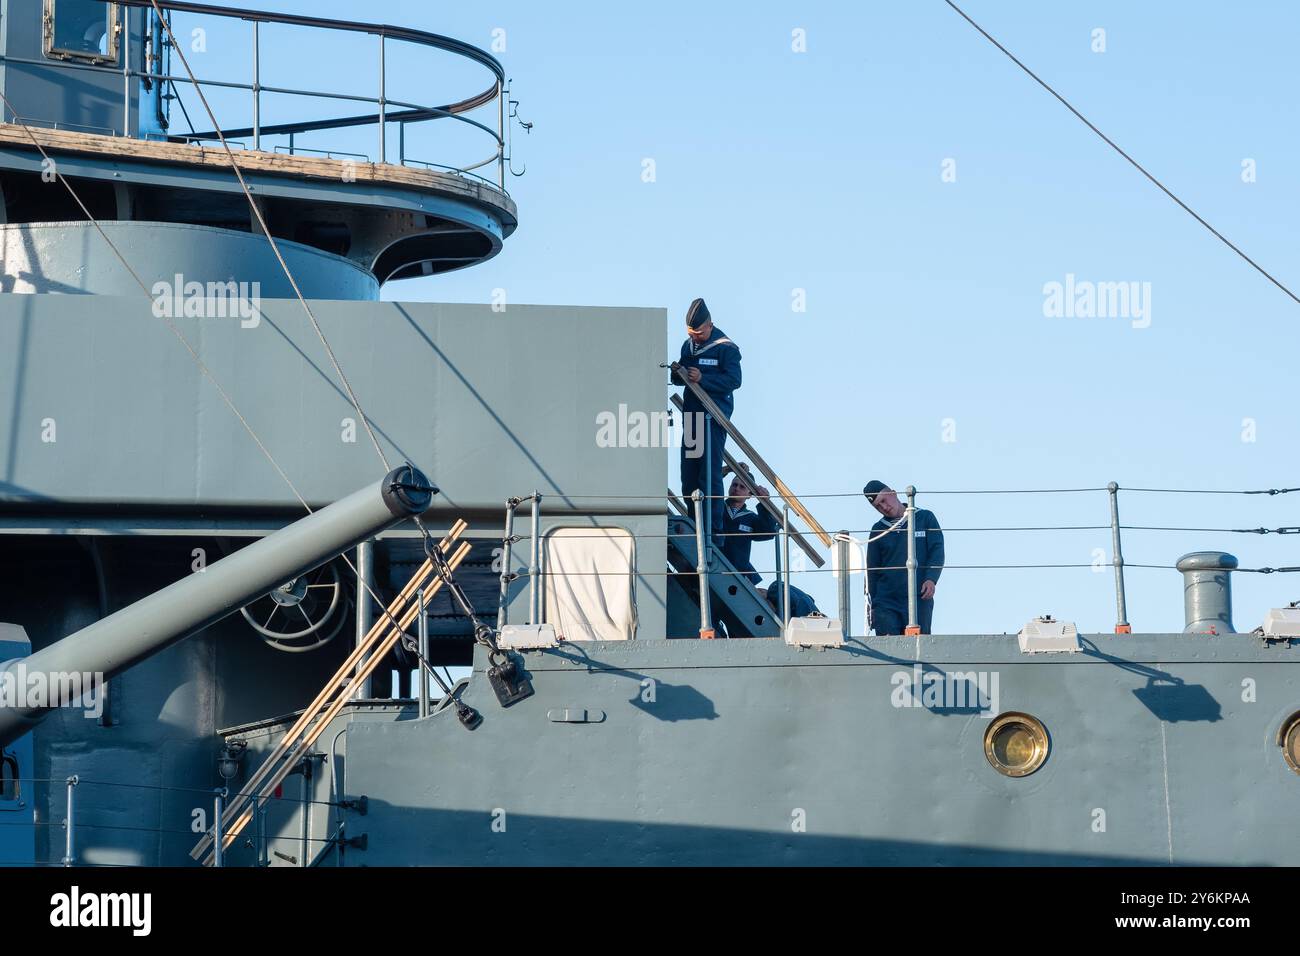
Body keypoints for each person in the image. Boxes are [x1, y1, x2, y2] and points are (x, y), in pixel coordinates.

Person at [670, 298, 741, 535]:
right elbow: (680, 378)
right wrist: (678, 373)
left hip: (713, 416)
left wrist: (703, 379)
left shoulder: (726, 348)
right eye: (692, 333)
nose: (696, 338)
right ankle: (694, 522)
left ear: (709, 326)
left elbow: (734, 380)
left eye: (699, 333)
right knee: (689, 473)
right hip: (692, 418)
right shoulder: (688, 346)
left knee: (708, 474)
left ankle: (712, 530)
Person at [863, 480, 944, 635]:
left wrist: (931, 578)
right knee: (890, 650)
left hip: (919, 596)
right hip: (886, 601)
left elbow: (937, 550)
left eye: (884, 501)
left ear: (893, 493)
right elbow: (872, 570)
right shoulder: (878, 530)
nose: (884, 507)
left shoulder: (924, 518)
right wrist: (871, 606)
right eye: (878, 506)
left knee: (920, 649)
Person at [719, 469, 778, 586]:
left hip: (736, 575)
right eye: (734, 485)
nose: (736, 488)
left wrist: (764, 502)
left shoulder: (750, 518)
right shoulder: (717, 506)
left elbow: (769, 533)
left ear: (750, 495)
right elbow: (708, 485)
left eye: (742, 487)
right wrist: (726, 470)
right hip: (713, 563)